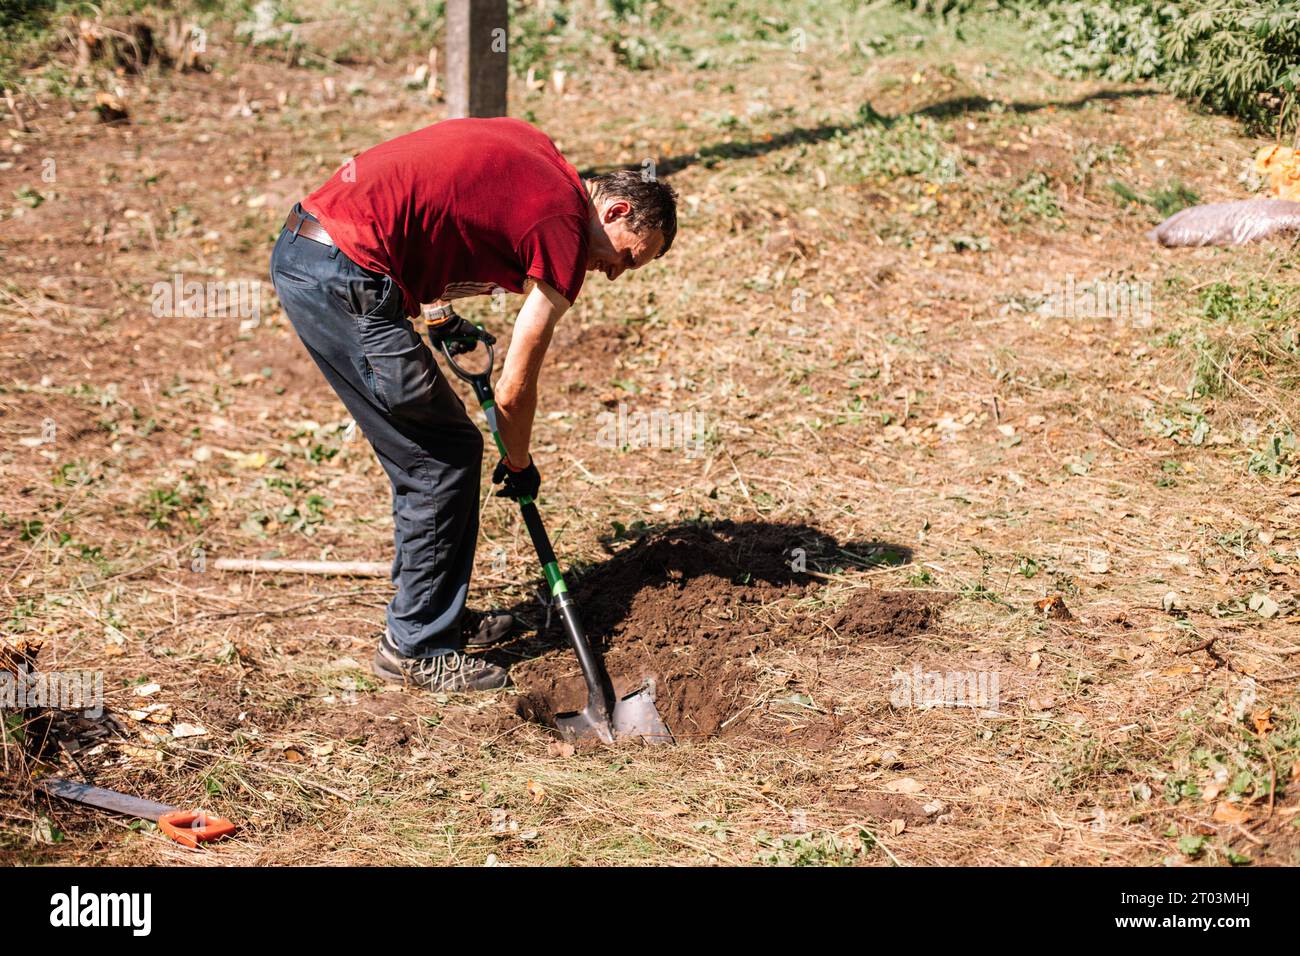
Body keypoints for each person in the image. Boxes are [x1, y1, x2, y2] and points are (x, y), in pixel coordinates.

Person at [268, 117, 677, 692]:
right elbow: (514, 385)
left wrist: (437, 311)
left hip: (326, 250)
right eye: (630, 258)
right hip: (343, 274)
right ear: (614, 214)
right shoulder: (562, 229)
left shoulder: (540, 152)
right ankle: (415, 645)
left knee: (437, 452)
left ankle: (435, 613)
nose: (615, 273)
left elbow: (445, 201)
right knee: (438, 459)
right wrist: (518, 460)